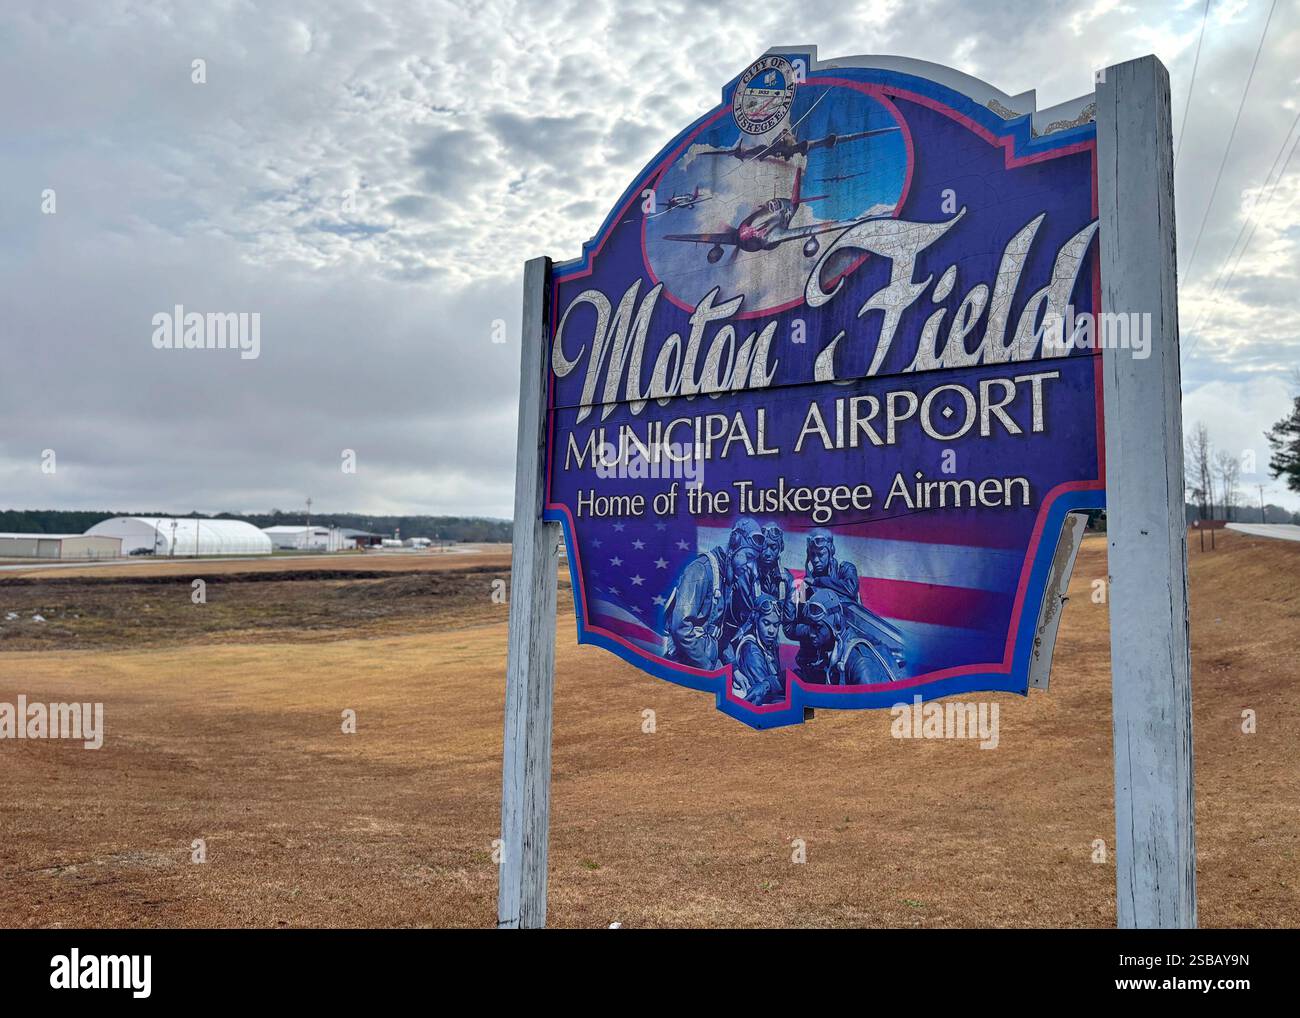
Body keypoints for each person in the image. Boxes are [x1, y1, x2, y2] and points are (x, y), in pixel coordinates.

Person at [664, 518, 763, 669]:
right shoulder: (701, 569)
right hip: (685, 667)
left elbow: (718, 632)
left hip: (705, 663)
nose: (751, 566)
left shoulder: (725, 578)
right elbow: (681, 628)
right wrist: (707, 668)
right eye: (748, 557)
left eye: (754, 560)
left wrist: (734, 668)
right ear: (734, 544)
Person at [790, 588, 900, 685]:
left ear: (835, 624)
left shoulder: (859, 662)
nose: (811, 634)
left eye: (817, 627)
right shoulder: (830, 651)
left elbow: (873, 706)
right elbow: (812, 680)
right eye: (810, 627)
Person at [730, 594, 785, 705]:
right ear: (756, 619)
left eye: (776, 625)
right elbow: (766, 695)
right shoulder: (751, 650)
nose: (771, 631)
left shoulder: (770, 644)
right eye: (766, 623)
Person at [802, 529, 861, 605]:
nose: (815, 560)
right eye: (812, 555)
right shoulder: (810, 578)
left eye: (820, 555)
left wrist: (818, 581)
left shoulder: (845, 568)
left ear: (831, 552)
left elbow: (850, 589)